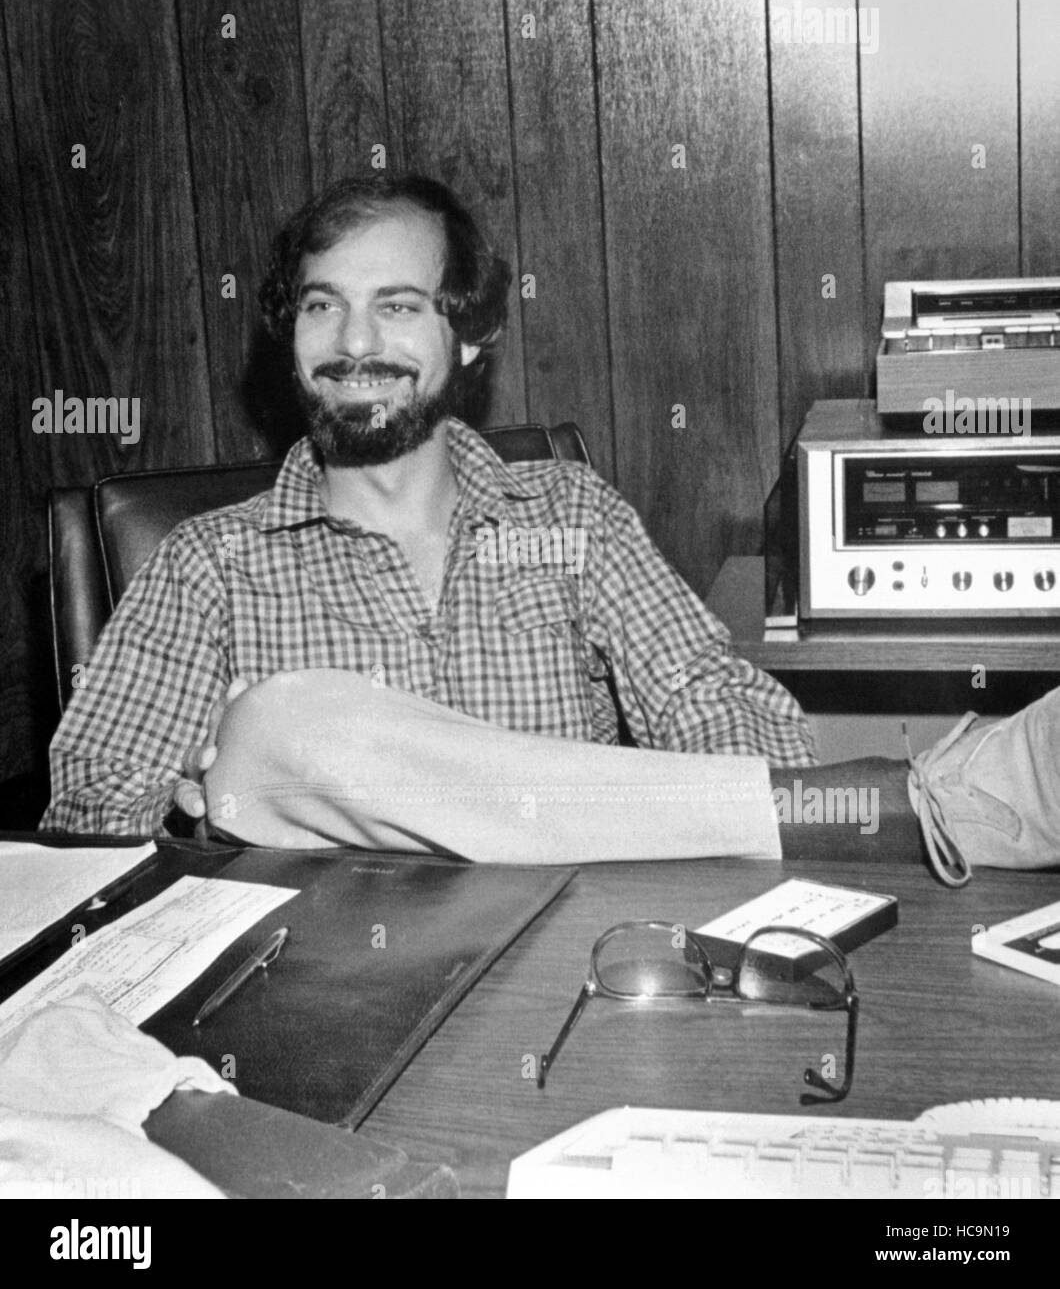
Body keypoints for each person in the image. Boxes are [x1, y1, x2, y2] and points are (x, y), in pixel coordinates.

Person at [39, 175, 1058, 882]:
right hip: (317, 961)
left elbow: (726, 717)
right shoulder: (209, 563)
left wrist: (686, 799)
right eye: (321, 307)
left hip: (566, 947)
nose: (355, 344)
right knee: (282, 732)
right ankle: (933, 802)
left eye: (398, 307)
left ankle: (936, 800)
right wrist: (197, 798)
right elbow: (89, 814)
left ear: (472, 334)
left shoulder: (569, 518)